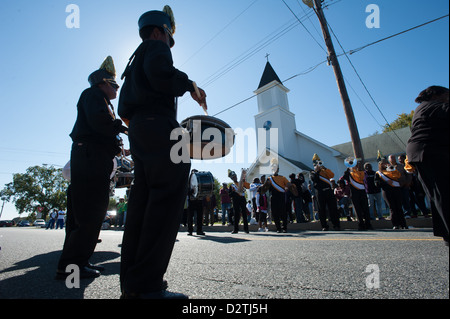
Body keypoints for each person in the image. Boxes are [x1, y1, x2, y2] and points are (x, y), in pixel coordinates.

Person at [118, 6, 206, 299]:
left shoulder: (134, 61)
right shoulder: (156, 47)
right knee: (167, 198)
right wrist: (189, 84)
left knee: (141, 206)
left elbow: (123, 109)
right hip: (159, 125)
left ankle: (133, 284)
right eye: (169, 37)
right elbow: (162, 74)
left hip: (140, 129)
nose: (170, 44)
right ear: (158, 32)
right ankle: (146, 285)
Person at [56, 56, 127, 280]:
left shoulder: (100, 99)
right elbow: (100, 123)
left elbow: (101, 129)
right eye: (113, 85)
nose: (116, 89)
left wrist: (120, 149)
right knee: (90, 212)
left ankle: (76, 263)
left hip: (93, 155)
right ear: (102, 83)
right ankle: (71, 266)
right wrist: (124, 128)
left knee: (88, 214)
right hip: (91, 157)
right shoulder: (94, 95)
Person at [406, 85, 449, 246]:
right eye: (447, 95)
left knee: (438, 195)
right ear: (436, 95)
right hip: (430, 152)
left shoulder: (424, 107)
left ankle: (446, 233)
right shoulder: (432, 106)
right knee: (443, 193)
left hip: (424, 153)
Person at [259, 158, 297, 233]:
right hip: (273, 198)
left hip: (281, 197)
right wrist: (263, 185)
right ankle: (278, 228)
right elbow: (264, 189)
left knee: (283, 213)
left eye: (276, 168)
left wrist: (293, 187)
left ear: (278, 169)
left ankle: (284, 227)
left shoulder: (283, 178)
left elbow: (289, 185)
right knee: (275, 214)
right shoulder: (269, 179)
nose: (275, 169)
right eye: (273, 168)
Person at [375, 159, 408, 230]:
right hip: (387, 191)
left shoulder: (392, 170)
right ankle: (395, 224)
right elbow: (377, 184)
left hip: (396, 190)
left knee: (399, 207)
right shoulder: (378, 173)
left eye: (386, 163)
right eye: (383, 163)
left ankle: (403, 224)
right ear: (380, 165)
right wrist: (386, 182)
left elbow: (398, 176)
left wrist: (393, 169)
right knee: (392, 208)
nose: (385, 164)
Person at [310, 154, 340, 231]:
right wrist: (317, 171)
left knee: (333, 208)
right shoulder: (312, 172)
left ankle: (336, 225)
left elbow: (332, 175)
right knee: (321, 210)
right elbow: (314, 179)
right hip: (320, 193)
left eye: (319, 163)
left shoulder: (325, 170)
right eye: (316, 164)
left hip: (328, 191)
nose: (318, 165)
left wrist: (324, 168)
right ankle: (324, 226)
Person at [343, 165, 373, 230]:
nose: (354, 166)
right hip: (354, 193)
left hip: (362, 192)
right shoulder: (349, 173)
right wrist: (348, 170)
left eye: (355, 165)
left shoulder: (361, 172)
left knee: (365, 208)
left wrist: (356, 170)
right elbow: (344, 177)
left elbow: (363, 178)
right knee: (357, 209)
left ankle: (368, 224)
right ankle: (361, 225)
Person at [228, 169, 250, 234]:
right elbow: (230, 194)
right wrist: (235, 192)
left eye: (235, 176)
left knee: (244, 214)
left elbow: (248, 187)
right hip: (235, 200)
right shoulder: (232, 185)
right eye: (233, 177)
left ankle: (246, 229)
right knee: (236, 215)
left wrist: (244, 181)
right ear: (231, 178)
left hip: (242, 199)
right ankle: (236, 229)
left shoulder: (241, 182)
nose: (234, 178)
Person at [187, 170, 205, 236]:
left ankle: (199, 230)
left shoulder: (200, 181)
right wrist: (191, 191)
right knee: (190, 217)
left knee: (199, 217)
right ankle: (190, 230)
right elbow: (186, 192)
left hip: (199, 200)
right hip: (191, 200)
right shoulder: (188, 182)